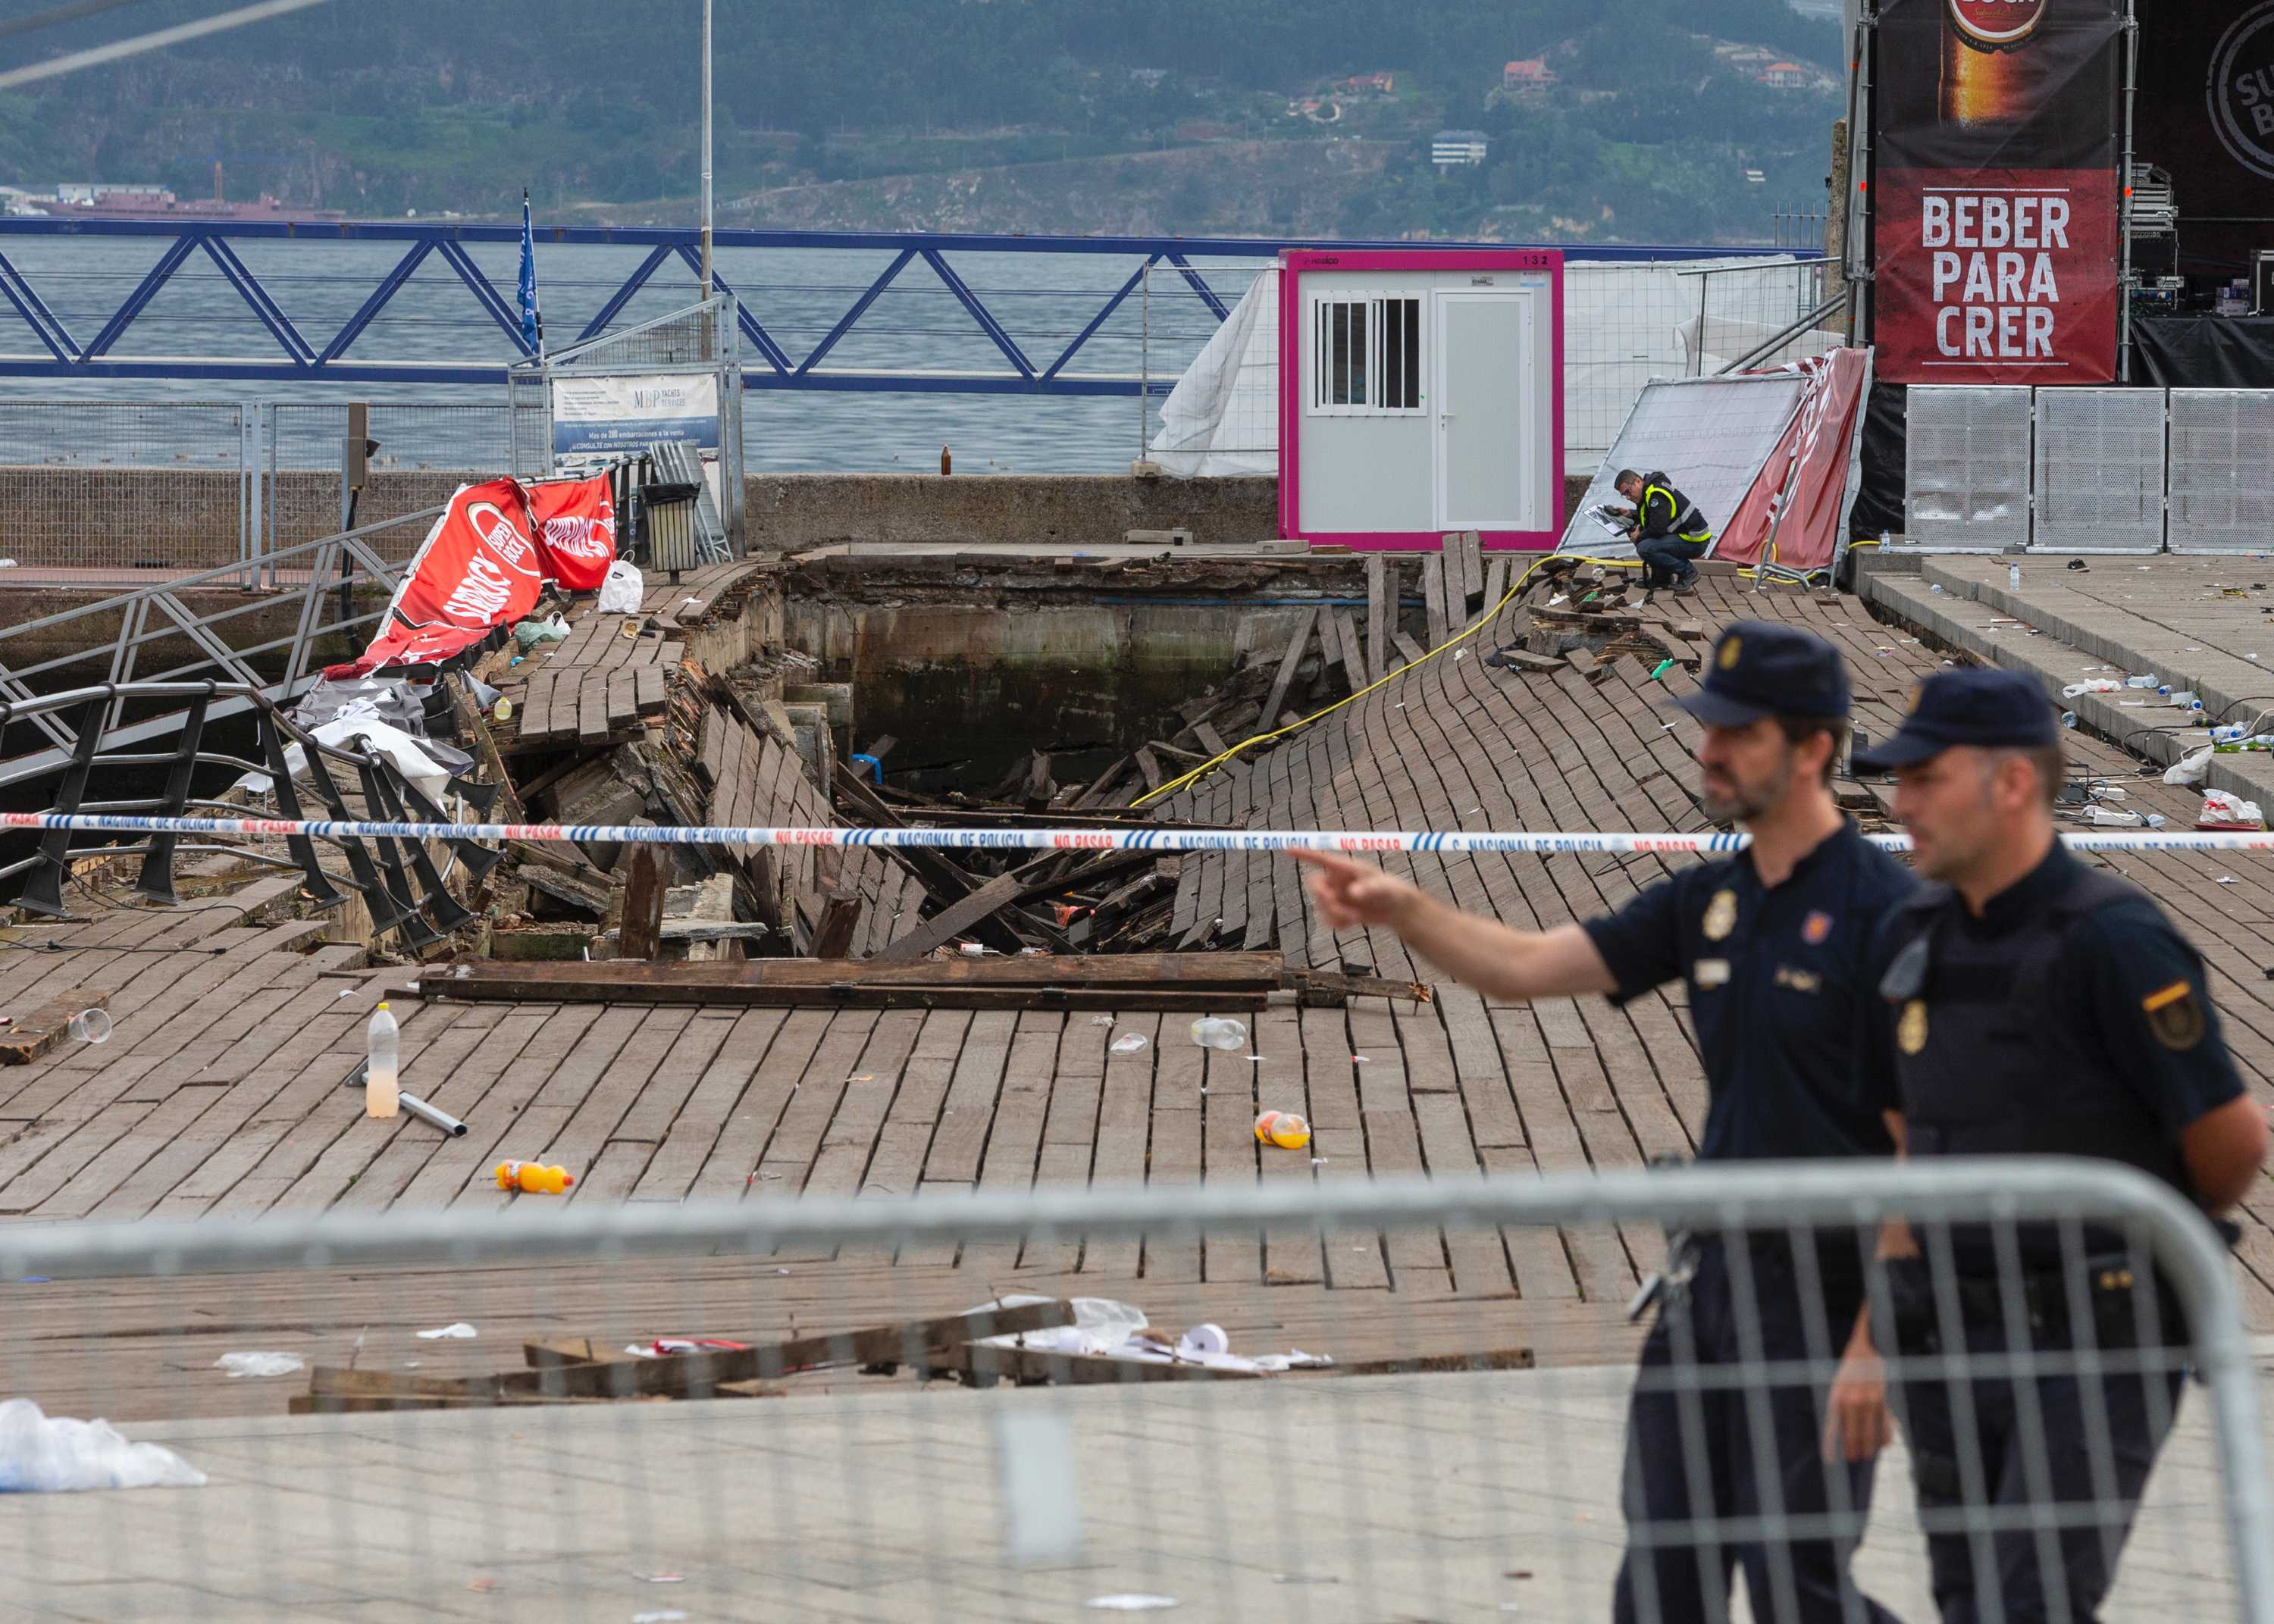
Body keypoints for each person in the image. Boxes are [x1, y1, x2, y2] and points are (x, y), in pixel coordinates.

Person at [1295, 622, 1910, 1624]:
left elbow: (1916, 1138)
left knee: (1801, 1585)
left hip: (1825, 1295)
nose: (1707, 749)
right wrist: (1403, 907)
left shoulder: (1887, 911)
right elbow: (1529, 967)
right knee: (1661, 1574)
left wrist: (1874, 1340)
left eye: (1737, 733)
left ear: (1811, 747)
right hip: (1708, 1283)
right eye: (1706, 726)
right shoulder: (1711, 897)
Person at [1824, 668, 2269, 1624]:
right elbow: (1910, 1144)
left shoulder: (2114, 940)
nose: (1900, 805)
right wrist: (1872, 1335)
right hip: (1946, 1331)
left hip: (2090, 1340)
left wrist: (2136, 1234)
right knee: (1969, 1598)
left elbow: (2230, 1142)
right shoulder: (1913, 935)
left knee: (2030, 1604)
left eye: (1925, 780)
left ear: (2014, 783)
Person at [1613, 468, 1714, 595]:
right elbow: (1653, 517)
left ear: (1638, 482)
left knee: (1645, 547)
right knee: (1643, 539)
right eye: (1624, 495)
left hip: (1695, 540)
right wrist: (1630, 513)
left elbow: (1657, 529)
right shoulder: (1649, 491)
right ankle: (1661, 578)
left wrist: (1638, 537)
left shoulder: (1657, 494)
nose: (1628, 497)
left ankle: (1688, 572)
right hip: (1685, 536)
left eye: (1628, 492)